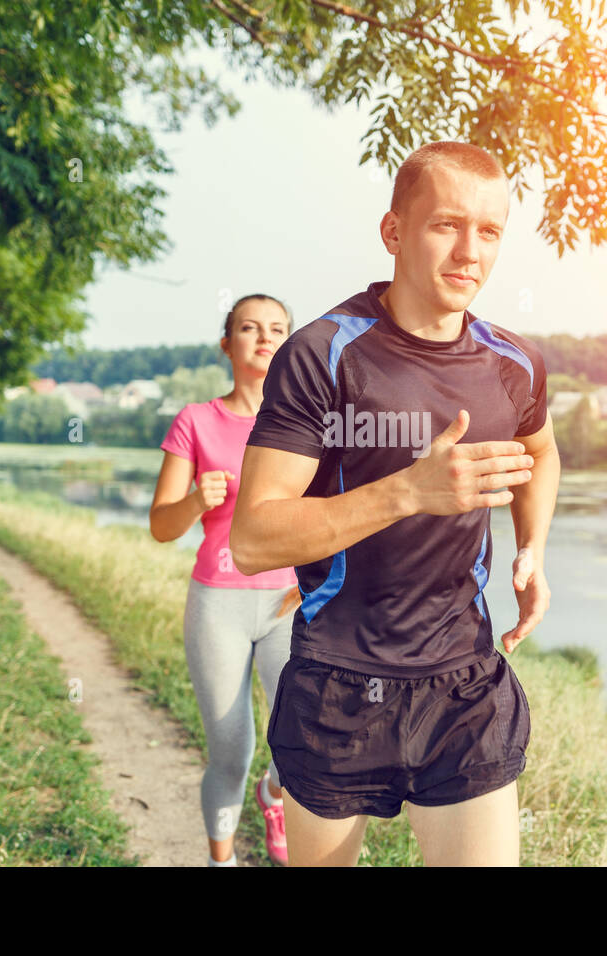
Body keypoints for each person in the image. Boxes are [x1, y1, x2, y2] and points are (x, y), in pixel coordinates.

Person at [229, 141, 560, 866]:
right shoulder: (323, 354)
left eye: (490, 230)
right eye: (446, 224)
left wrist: (532, 550)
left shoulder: (514, 364)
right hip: (338, 684)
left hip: (464, 684)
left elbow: (540, 451)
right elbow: (253, 537)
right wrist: (412, 489)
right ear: (394, 232)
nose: (469, 250)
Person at [149, 294, 301, 867]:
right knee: (231, 751)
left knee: (301, 740)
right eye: (249, 328)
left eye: (278, 329)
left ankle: (274, 796)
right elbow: (161, 526)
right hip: (218, 603)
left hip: (289, 602)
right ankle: (221, 861)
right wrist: (193, 501)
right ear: (227, 343)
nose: (264, 337)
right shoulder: (196, 421)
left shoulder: (307, 423)